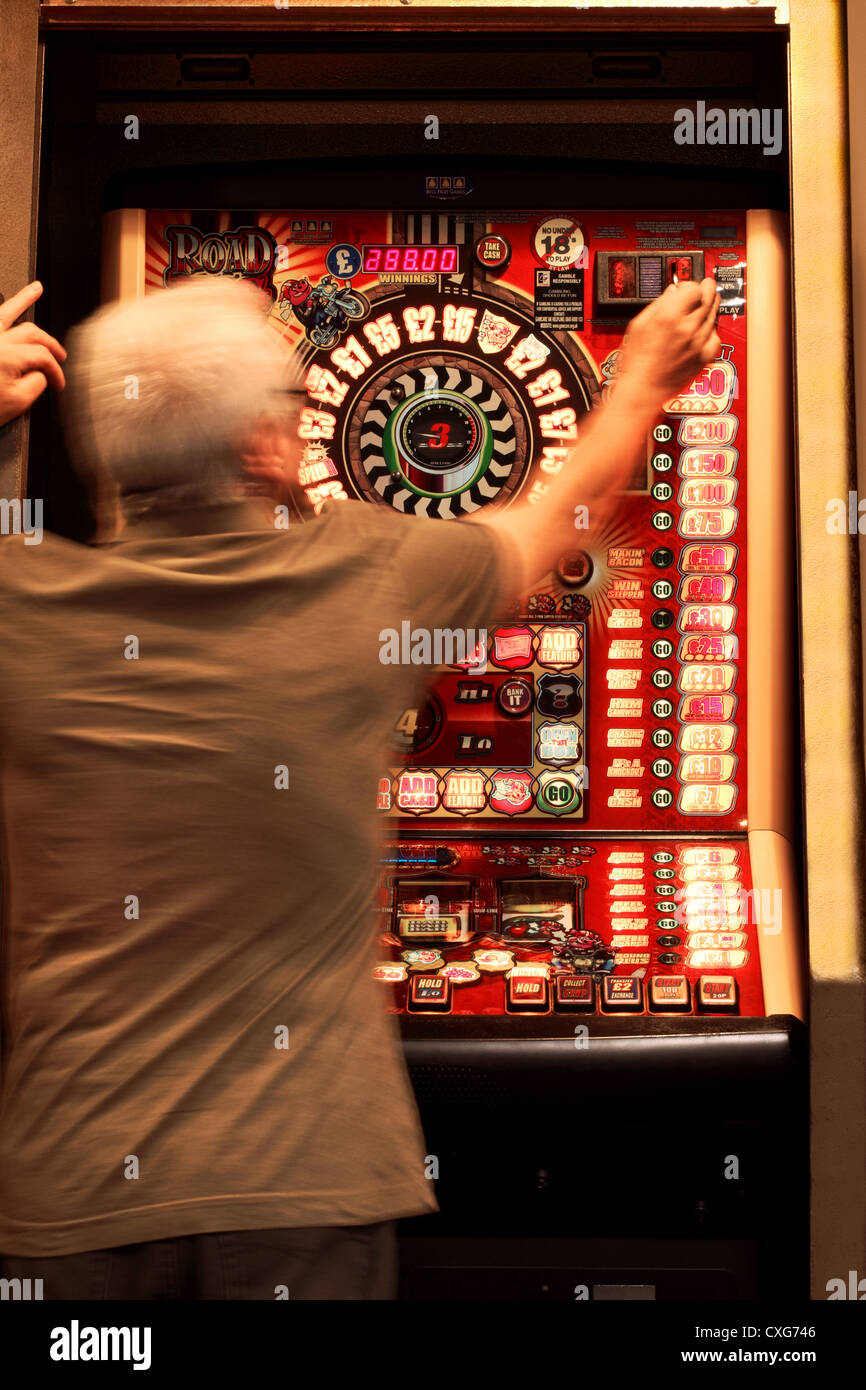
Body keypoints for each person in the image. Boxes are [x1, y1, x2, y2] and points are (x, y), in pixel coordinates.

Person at [0, 272, 719, 1300]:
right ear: (259, 444)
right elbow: (561, 517)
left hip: (71, 1197)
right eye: (293, 407)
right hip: (299, 1186)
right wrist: (643, 374)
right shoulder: (368, 574)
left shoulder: (20, 600)